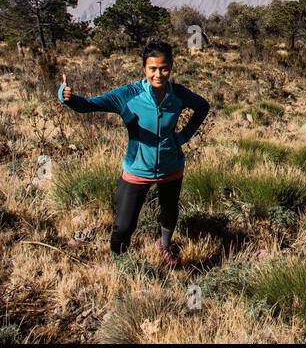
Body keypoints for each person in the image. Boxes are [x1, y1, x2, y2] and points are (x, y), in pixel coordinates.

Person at [57, 39, 210, 268]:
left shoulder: (177, 94)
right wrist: (67, 97)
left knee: (169, 210)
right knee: (124, 225)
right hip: (137, 169)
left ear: (171, 67)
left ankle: (164, 245)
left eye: (164, 68)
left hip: (171, 166)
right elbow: (88, 105)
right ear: (144, 69)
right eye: (152, 69)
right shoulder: (128, 95)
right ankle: (119, 263)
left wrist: (183, 136)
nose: (158, 74)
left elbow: (203, 106)